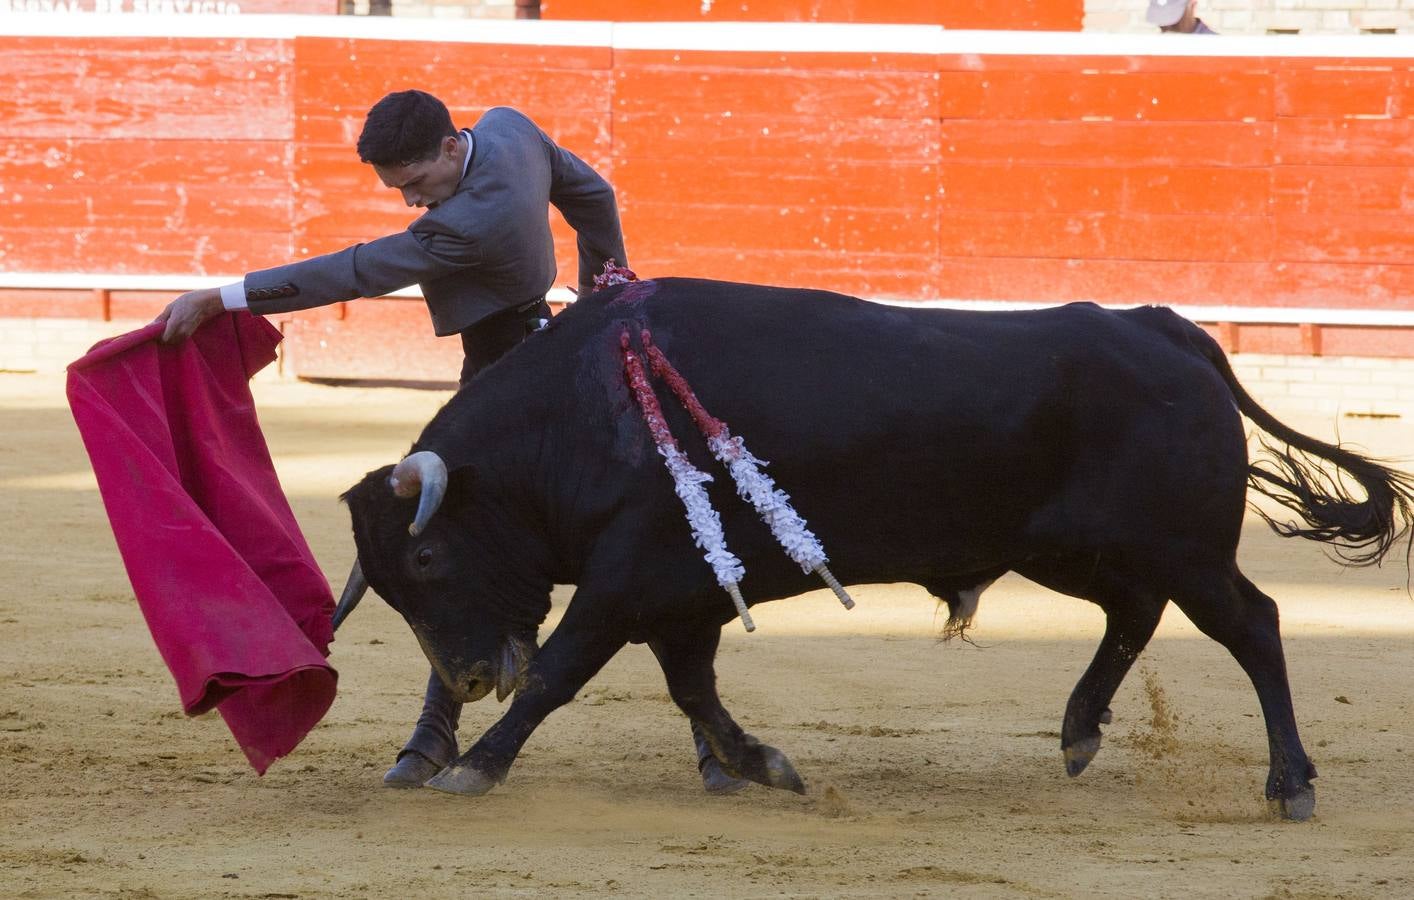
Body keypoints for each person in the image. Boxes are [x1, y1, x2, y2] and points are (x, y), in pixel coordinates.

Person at [156, 89, 748, 795]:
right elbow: (593, 190)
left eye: (415, 184)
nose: (410, 202)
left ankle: (691, 730)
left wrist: (221, 297)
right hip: (534, 358)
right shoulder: (510, 128)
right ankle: (446, 725)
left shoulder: (470, 223)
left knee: (583, 540)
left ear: (446, 149)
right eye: (398, 189)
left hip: (510, 375)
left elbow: (353, 270)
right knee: (486, 540)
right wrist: (605, 283)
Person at [1146, 0, 1217, 33]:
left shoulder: (1217, 49)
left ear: (1193, 4)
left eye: (1171, 15)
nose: (1167, 27)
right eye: (1160, 19)